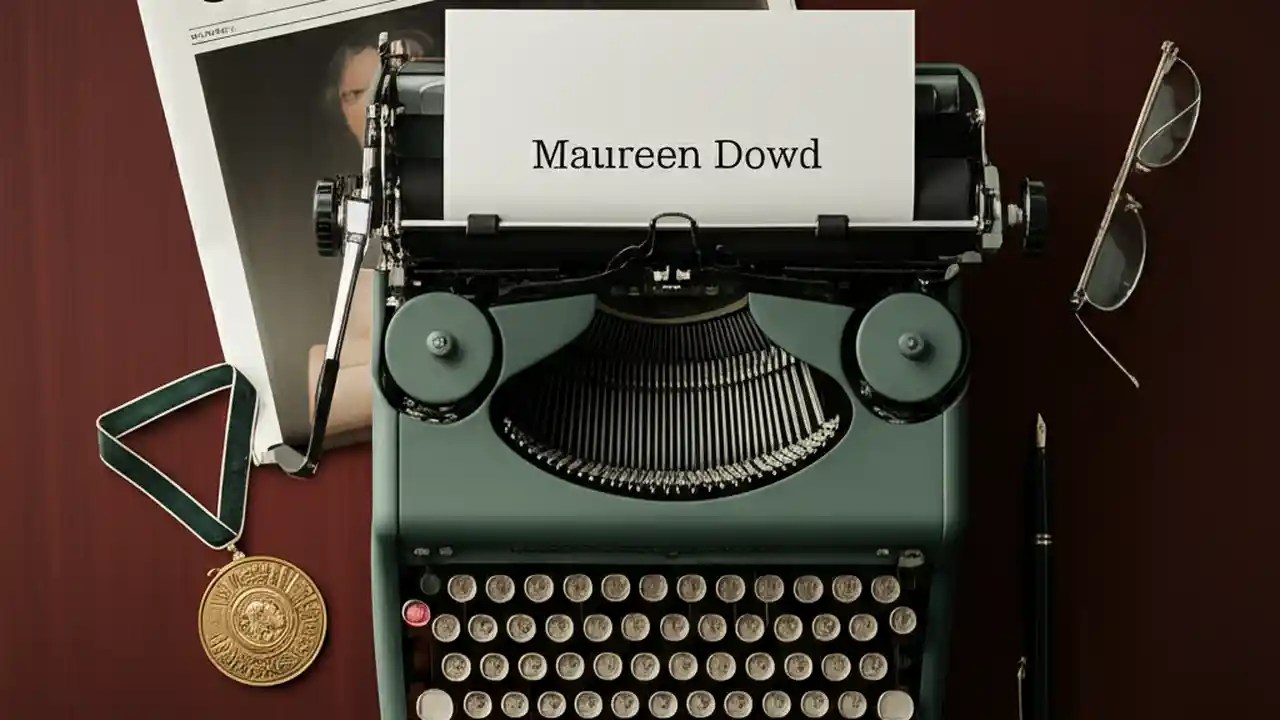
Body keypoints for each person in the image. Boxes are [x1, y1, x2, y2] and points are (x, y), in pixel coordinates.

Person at [308, 28, 437, 444]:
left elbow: (345, 392)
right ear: (342, 107)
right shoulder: (361, 219)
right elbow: (319, 401)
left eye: (396, 85)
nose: (375, 106)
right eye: (357, 93)